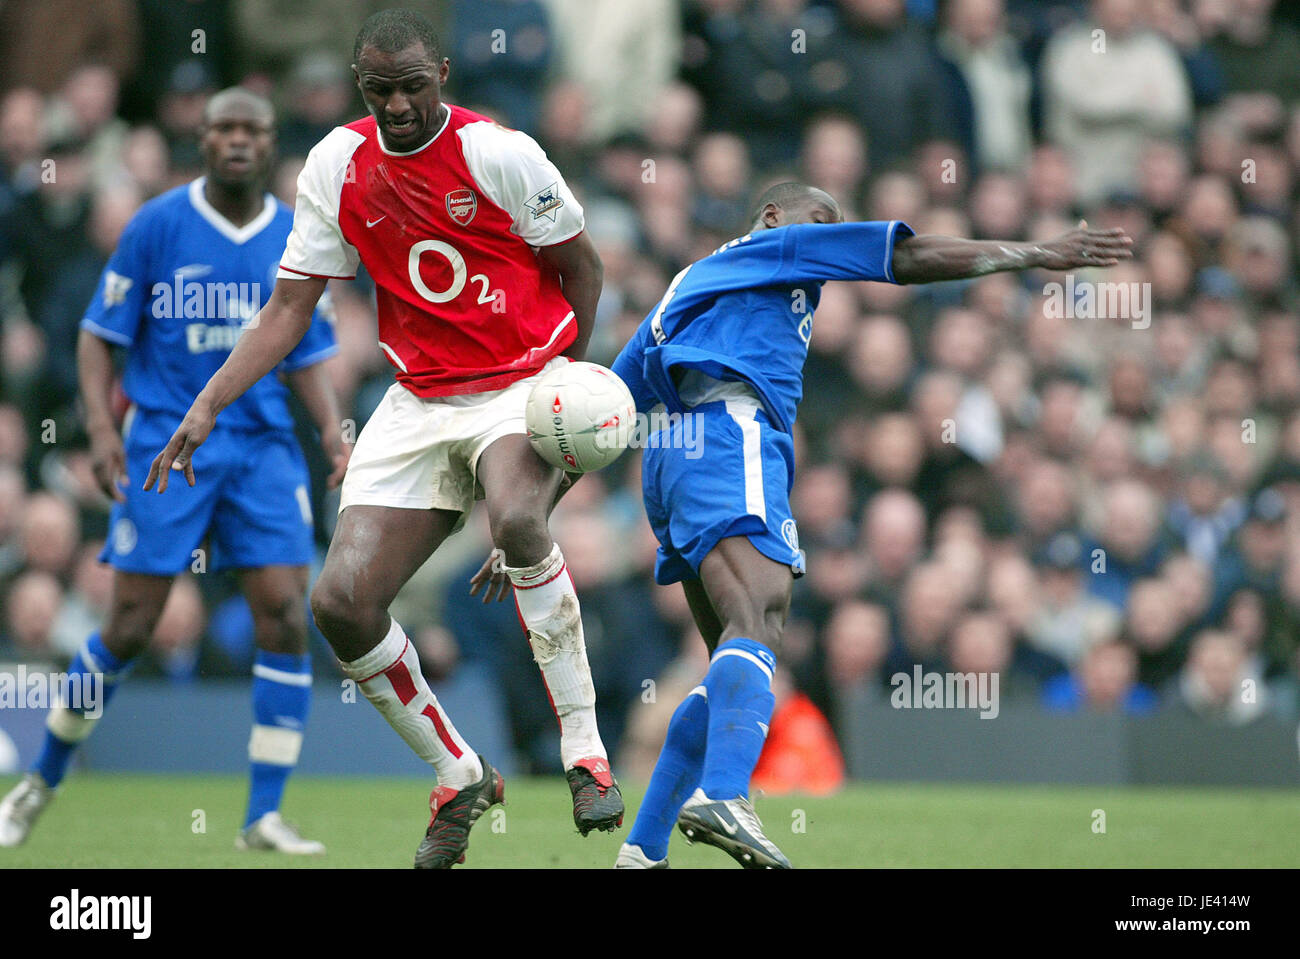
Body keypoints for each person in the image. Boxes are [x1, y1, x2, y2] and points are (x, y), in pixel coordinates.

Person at [144, 9, 619, 869]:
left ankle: (584, 751)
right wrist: (206, 402)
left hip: (519, 379)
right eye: (379, 89)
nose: (397, 105)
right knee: (339, 601)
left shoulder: (501, 154)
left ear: (440, 72)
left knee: (517, 522)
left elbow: (583, 269)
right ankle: (457, 771)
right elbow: (291, 307)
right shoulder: (336, 163)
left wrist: (563, 394)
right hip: (417, 397)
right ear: (362, 85)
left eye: (411, 86)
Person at [606, 181, 1131, 867]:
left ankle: (643, 851)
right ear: (772, 217)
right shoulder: (779, 245)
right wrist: (1036, 252)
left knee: (736, 655)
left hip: (671, 458)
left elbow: (606, 408)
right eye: (822, 219)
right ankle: (727, 794)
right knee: (762, 613)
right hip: (730, 431)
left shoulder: (687, 290)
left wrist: (530, 521)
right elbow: (908, 259)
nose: (830, 232)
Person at [0, 88, 345, 854]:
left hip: (261, 446)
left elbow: (309, 351)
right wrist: (98, 425)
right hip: (166, 444)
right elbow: (97, 334)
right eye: (222, 127)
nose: (236, 141)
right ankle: (39, 779)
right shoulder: (157, 223)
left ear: (268, 142)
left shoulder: (294, 233)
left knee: (287, 614)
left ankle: (263, 814)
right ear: (202, 135)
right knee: (128, 624)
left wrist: (332, 430)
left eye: (252, 129)